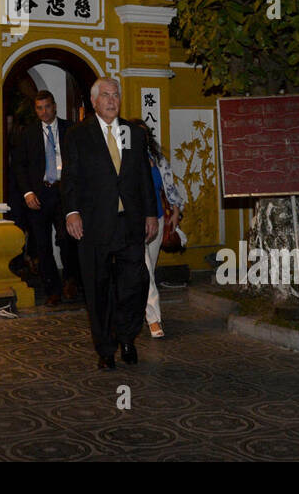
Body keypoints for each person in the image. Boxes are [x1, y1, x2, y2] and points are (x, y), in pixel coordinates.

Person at [61, 78, 159, 369]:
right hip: (94, 224)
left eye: (115, 95)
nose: (111, 100)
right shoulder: (78, 135)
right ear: (94, 101)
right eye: (105, 95)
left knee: (135, 284)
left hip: (129, 224)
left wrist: (151, 214)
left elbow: (143, 177)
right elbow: (71, 178)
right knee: (98, 287)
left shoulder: (134, 134)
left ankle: (127, 336)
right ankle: (105, 348)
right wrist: (72, 212)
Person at [12, 90, 73, 304]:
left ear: (54, 106)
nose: (44, 112)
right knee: (42, 244)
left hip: (64, 192)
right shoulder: (28, 133)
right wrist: (27, 192)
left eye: (47, 107)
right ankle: (52, 290)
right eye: (39, 108)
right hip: (38, 195)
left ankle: (70, 279)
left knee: (67, 238)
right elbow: (19, 165)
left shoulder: (70, 129)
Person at [140, 123, 186, 339]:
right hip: (134, 222)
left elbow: (170, 186)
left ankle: (138, 308)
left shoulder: (157, 160)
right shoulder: (122, 160)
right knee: (146, 269)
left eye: (143, 134)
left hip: (157, 220)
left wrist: (175, 212)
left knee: (148, 267)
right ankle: (153, 318)